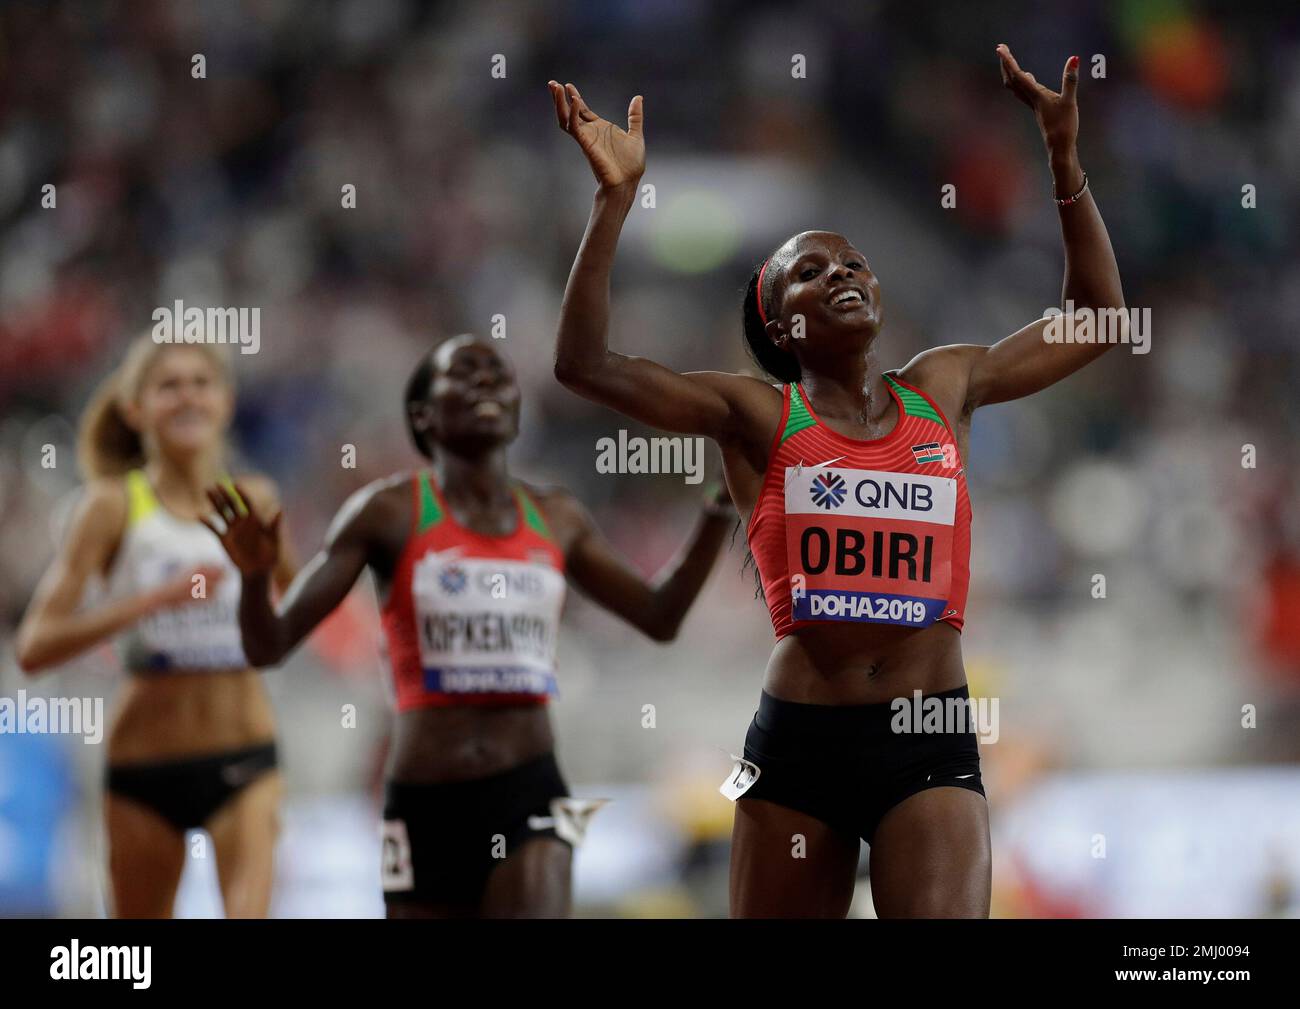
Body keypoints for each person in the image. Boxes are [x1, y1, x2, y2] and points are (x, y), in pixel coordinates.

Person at [548, 44, 1124, 917]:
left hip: (927, 730)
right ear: (782, 324)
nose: (842, 274)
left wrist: (1063, 161)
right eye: (811, 272)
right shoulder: (756, 415)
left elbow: (1098, 320)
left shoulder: (944, 385)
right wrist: (614, 201)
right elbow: (584, 364)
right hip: (800, 742)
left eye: (853, 262)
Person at [204, 334, 736, 917]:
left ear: (516, 408)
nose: (486, 380)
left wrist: (717, 508)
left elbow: (660, 617)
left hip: (529, 787)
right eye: (465, 372)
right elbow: (270, 644)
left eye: (497, 373)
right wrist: (255, 578)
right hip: (425, 797)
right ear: (423, 415)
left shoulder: (557, 517)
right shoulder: (388, 513)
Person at [16, 336, 295, 918]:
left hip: (243, 751)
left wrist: (257, 577)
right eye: (169, 385)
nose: (188, 396)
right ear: (135, 408)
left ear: (226, 400)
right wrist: (151, 602)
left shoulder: (257, 500)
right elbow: (35, 646)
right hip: (145, 761)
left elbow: (300, 619)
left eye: (202, 383)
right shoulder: (112, 506)